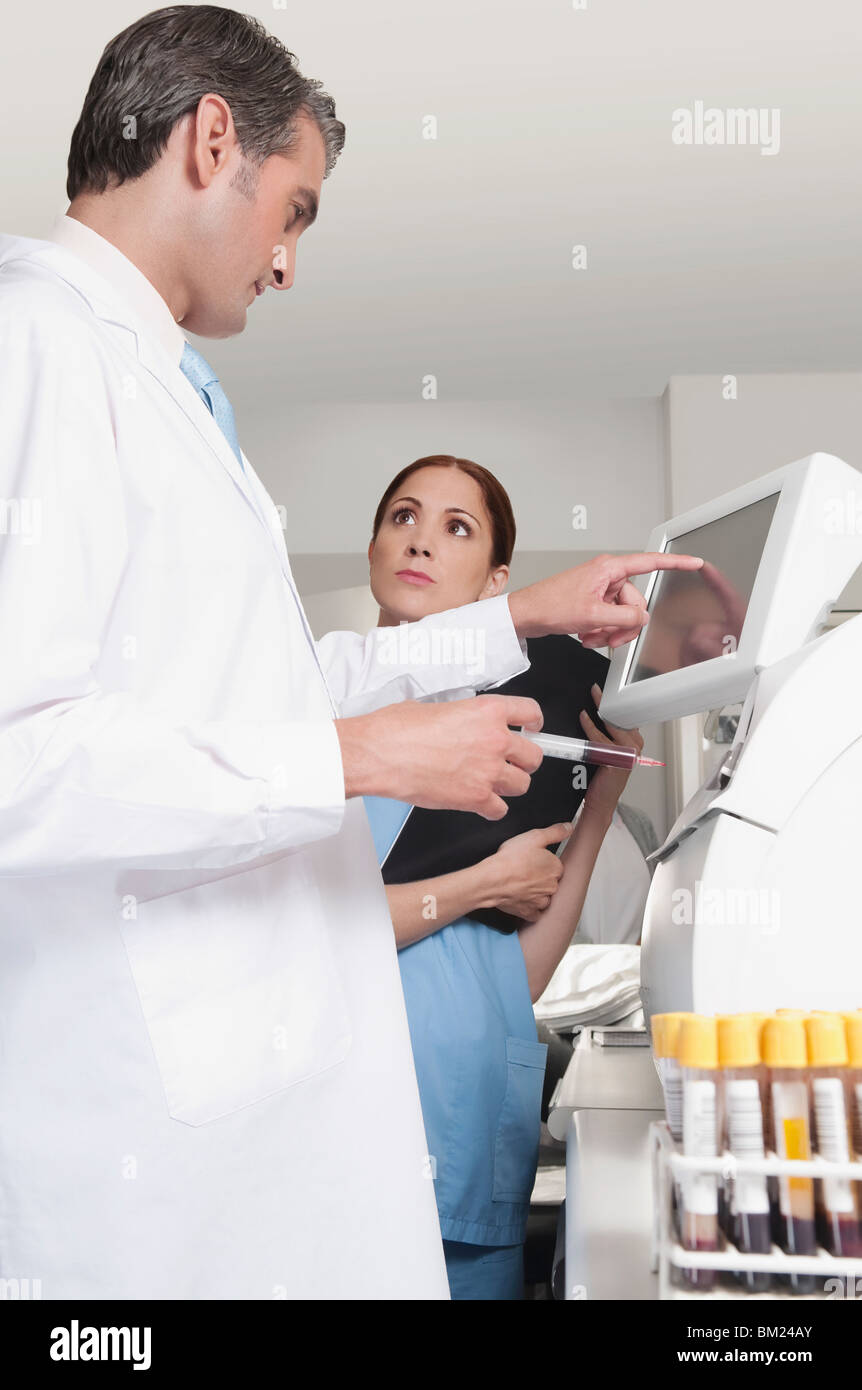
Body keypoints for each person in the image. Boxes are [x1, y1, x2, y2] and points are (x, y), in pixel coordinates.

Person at [0, 6, 702, 1299]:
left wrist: (518, 619)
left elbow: (269, 690)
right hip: (140, 1153)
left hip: (256, 1126)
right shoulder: (34, 350)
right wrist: (359, 755)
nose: (289, 260)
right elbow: (20, 758)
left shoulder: (158, 388)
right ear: (214, 139)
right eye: (298, 206)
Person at [362, 455, 649, 1299]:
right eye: (403, 517)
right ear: (373, 547)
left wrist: (600, 805)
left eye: (457, 527)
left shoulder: (510, 743)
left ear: (496, 581)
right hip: (356, 1130)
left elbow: (513, 982)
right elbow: (306, 938)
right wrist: (478, 885)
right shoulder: (326, 730)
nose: (420, 541)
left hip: (474, 1130)